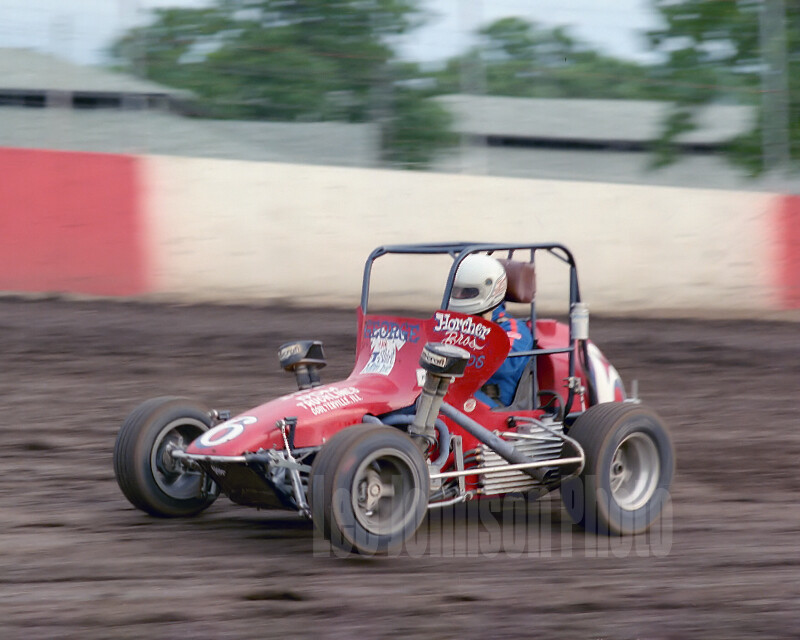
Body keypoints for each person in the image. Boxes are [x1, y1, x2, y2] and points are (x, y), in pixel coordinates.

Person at [449, 254, 534, 407]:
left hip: (494, 408)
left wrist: (455, 356)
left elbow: (504, 365)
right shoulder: (453, 324)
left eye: (467, 292)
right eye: (456, 291)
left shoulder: (512, 329)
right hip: (457, 396)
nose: (460, 296)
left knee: (444, 400)